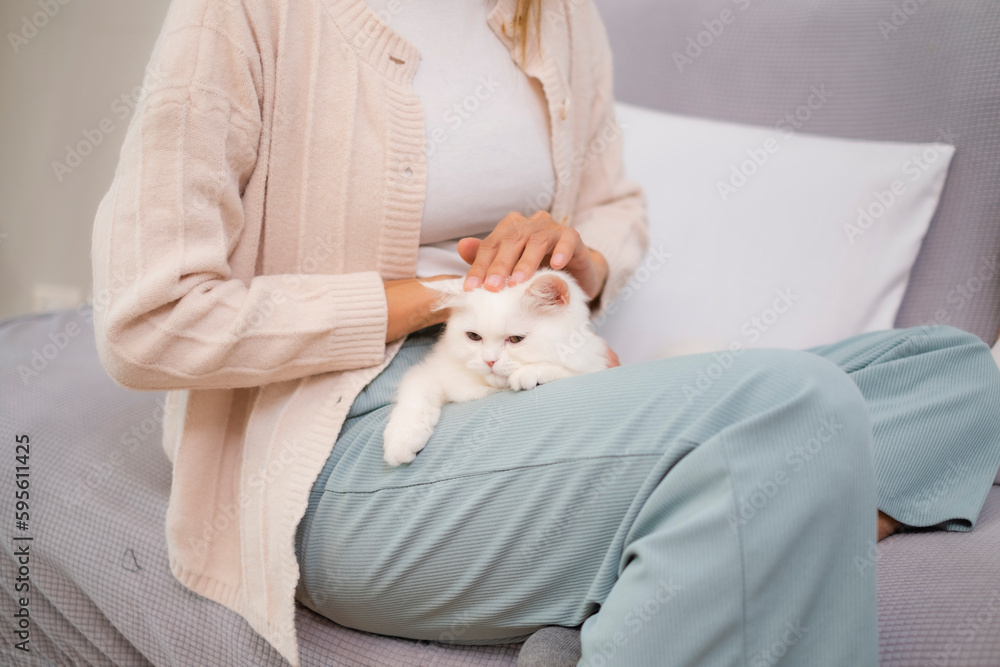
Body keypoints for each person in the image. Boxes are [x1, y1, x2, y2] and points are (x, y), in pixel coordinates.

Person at [90, 0, 1000, 665]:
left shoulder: (551, 15)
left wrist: (581, 256)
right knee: (790, 407)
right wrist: (425, 298)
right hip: (350, 442)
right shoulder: (246, 14)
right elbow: (148, 319)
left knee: (955, 373)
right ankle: (707, 547)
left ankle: (669, 574)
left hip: (539, 385)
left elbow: (614, 206)